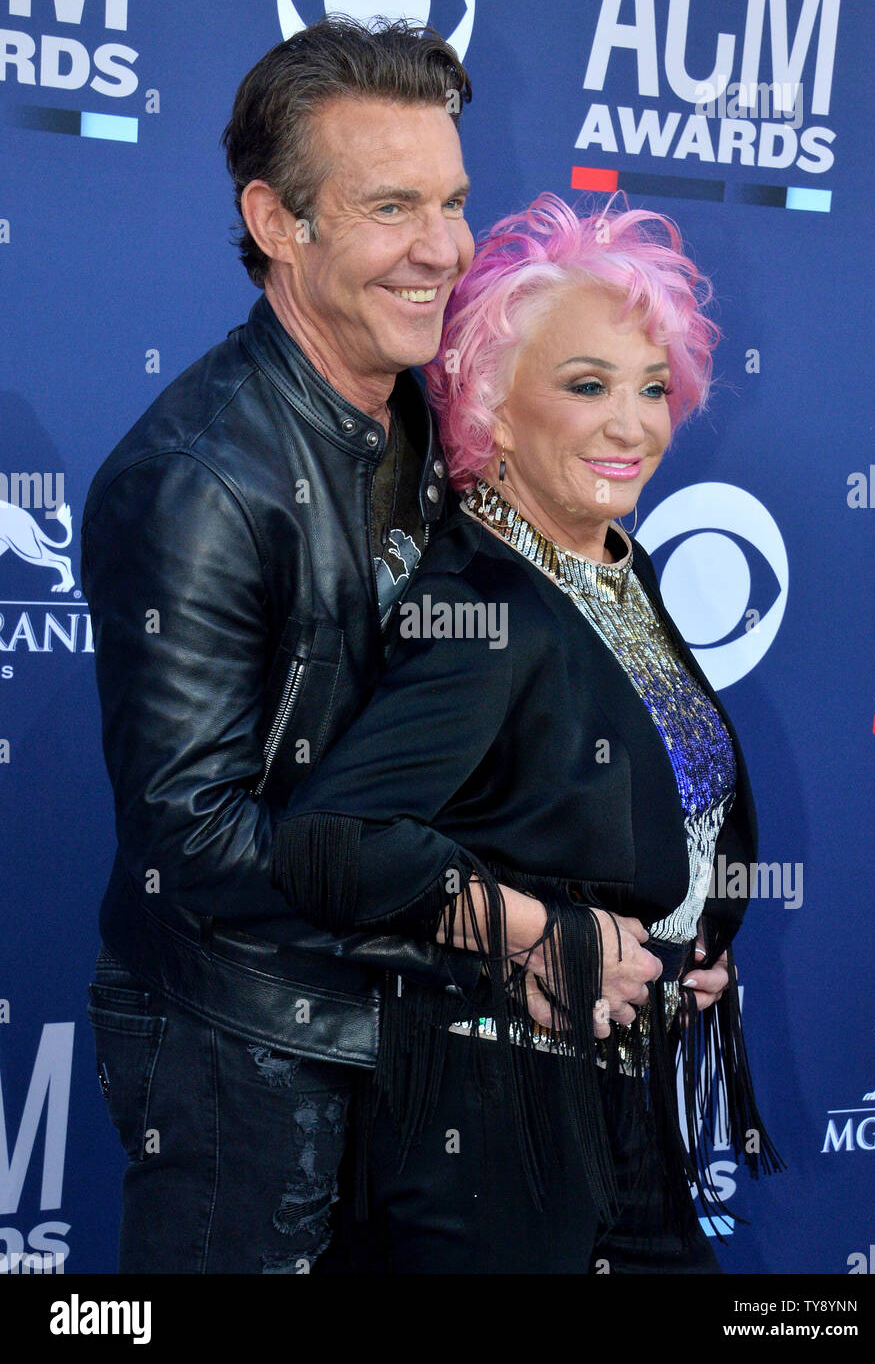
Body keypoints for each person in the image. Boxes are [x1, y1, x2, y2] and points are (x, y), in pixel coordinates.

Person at [273, 193, 782, 1274]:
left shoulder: (610, 567)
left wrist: (685, 939)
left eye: (652, 389)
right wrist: (539, 933)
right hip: (490, 1123)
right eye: (587, 386)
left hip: (618, 1105)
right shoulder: (489, 603)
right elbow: (331, 841)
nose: (631, 423)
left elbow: (594, 810)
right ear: (494, 407)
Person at [80, 15, 484, 1274]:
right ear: (275, 223)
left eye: (453, 201)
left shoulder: (441, 420)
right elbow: (189, 837)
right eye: (390, 208)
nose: (440, 250)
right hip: (242, 1047)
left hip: (408, 1029)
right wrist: (474, 912)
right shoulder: (195, 480)